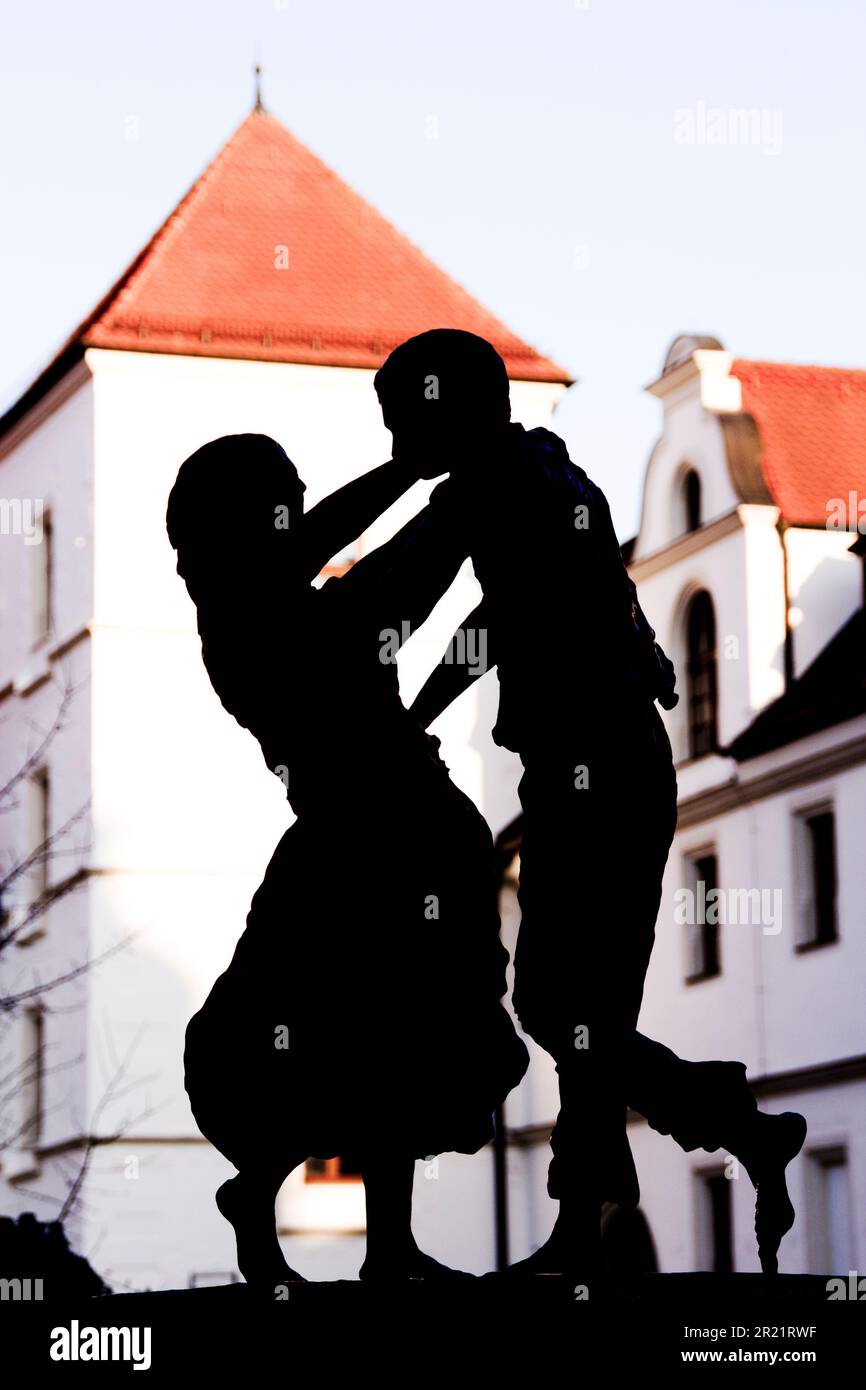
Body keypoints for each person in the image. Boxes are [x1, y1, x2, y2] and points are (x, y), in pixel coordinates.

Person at [372, 329, 806, 1278]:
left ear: (449, 409)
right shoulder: (544, 471)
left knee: (559, 1002)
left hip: (593, 765)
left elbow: (447, 606)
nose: (401, 441)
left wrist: (403, 704)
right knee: (585, 1013)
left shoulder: (495, 483)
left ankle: (724, 1121)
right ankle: (597, 1225)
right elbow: (485, 605)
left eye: (407, 421)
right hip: (612, 764)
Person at [166, 433, 528, 1286]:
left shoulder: (268, 601)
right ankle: (284, 1211)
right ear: (241, 520)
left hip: (390, 835)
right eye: (282, 494)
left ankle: (376, 1241)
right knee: (372, 1026)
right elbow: (391, 589)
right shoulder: (259, 621)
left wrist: (423, 478)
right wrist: (447, 497)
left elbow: (352, 565)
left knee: (390, 1032)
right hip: (365, 843)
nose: (300, 508)